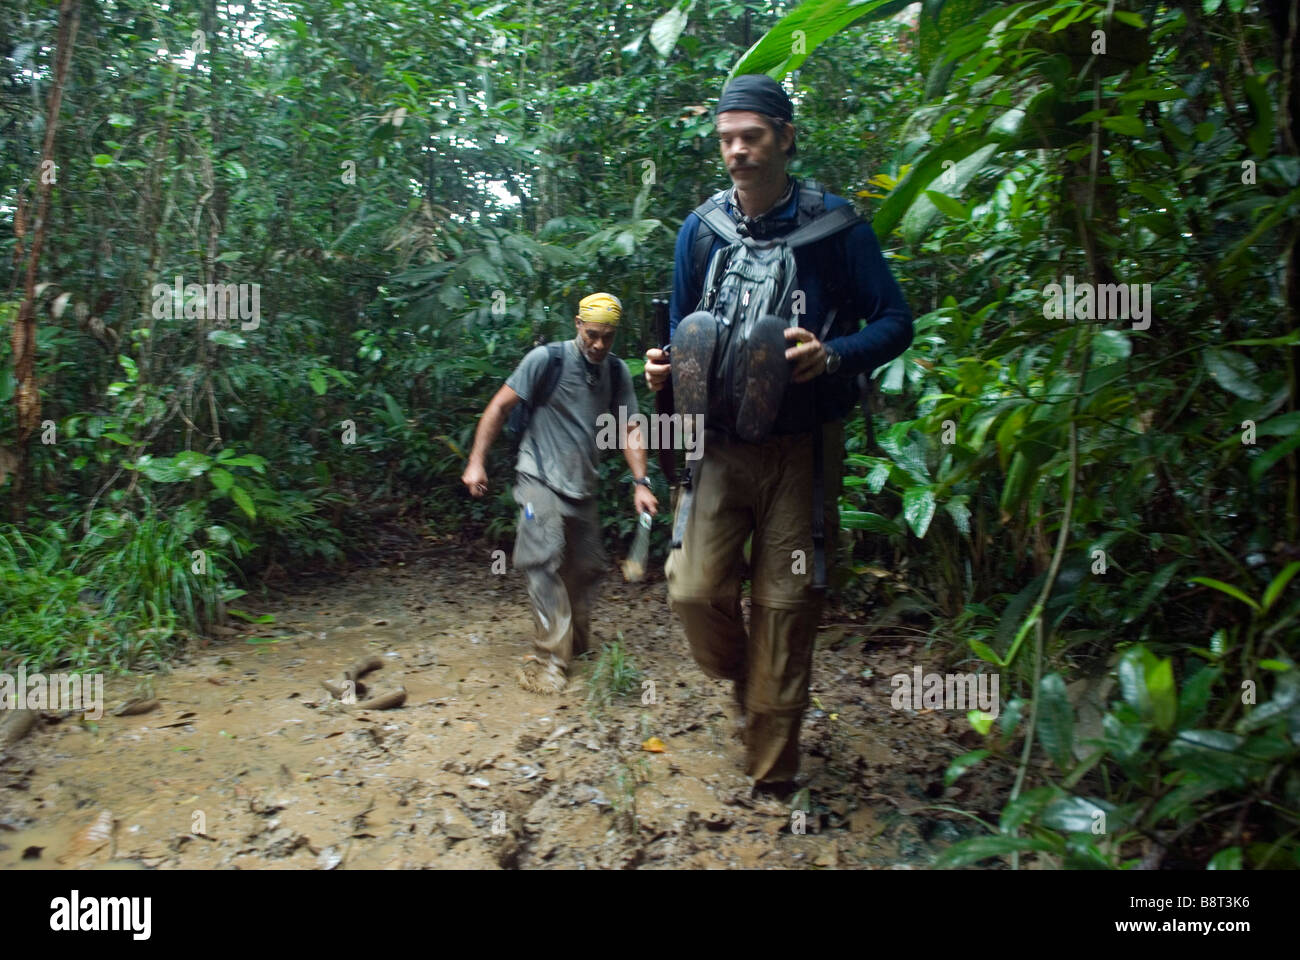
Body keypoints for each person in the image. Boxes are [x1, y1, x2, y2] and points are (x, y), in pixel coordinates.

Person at [643, 75, 913, 796]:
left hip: (803, 446)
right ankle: (756, 683)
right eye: (727, 139)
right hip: (719, 445)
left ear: (785, 137)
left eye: (752, 137)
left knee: (787, 608)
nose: (737, 151)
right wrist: (659, 370)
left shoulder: (838, 230)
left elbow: (895, 321)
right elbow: (677, 330)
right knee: (694, 592)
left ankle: (773, 775)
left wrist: (836, 354)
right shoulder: (699, 232)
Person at [462, 293, 658, 693]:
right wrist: (476, 461)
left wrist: (641, 482)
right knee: (544, 560)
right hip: (539, 478)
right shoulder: (546, 360)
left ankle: (577, 648)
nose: (599, 344)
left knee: (586, 568)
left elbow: (629, 427)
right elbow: (499, 407)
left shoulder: (617, 372)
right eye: (592, 335)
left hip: (583, 485)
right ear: (577, 325)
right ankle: (551, 659)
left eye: (608, 337)